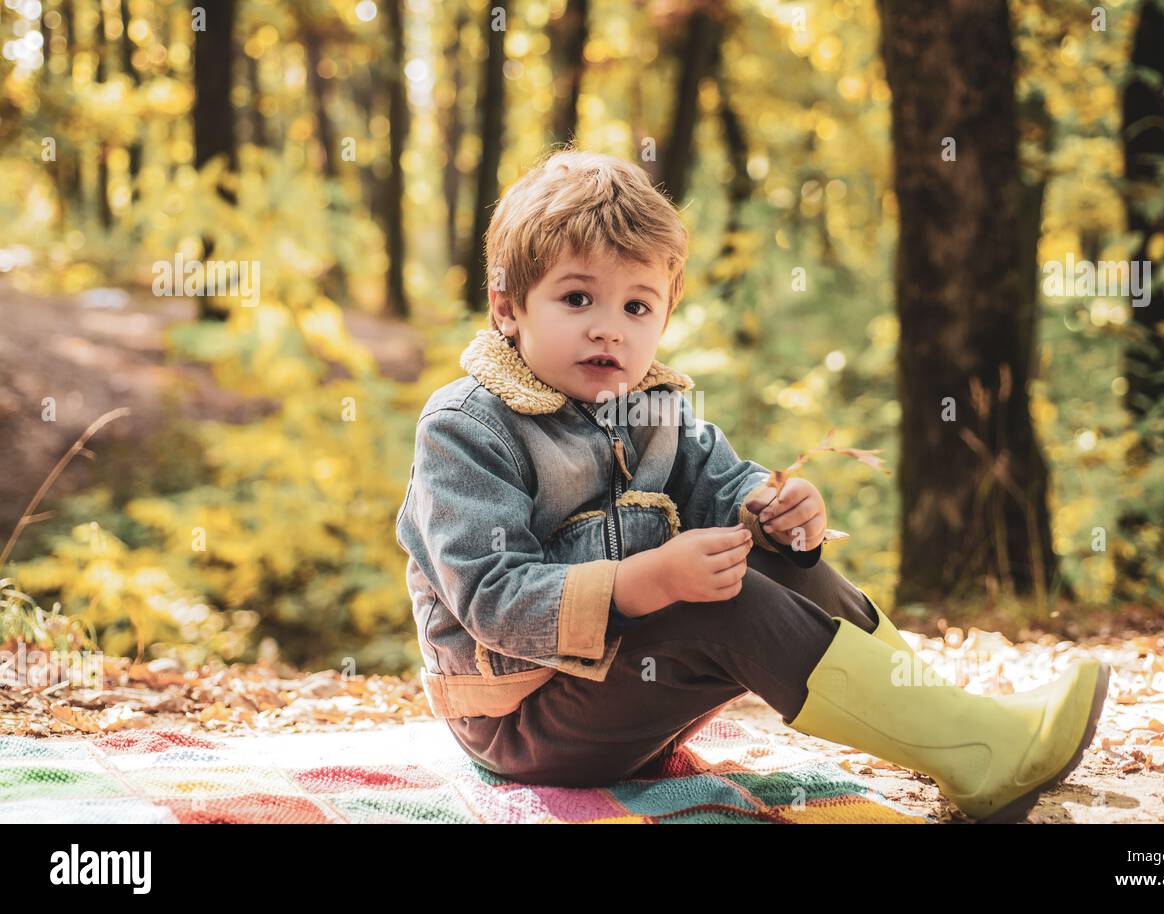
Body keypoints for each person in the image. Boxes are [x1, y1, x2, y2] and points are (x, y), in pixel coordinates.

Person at [394, 148, 1110, 822]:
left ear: (665, 315)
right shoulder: (468, 427)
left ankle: (961, 731)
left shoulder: (655, 408)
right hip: (520, 721)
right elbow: (492, 596)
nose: (608, 331)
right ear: (507, 308)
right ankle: (977, 749)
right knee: (714, 603)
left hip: (623, 699)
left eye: (636, 308)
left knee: (769, 562)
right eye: (577, 299)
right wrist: (644, 582)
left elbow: (729, 486)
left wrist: (779, 517)